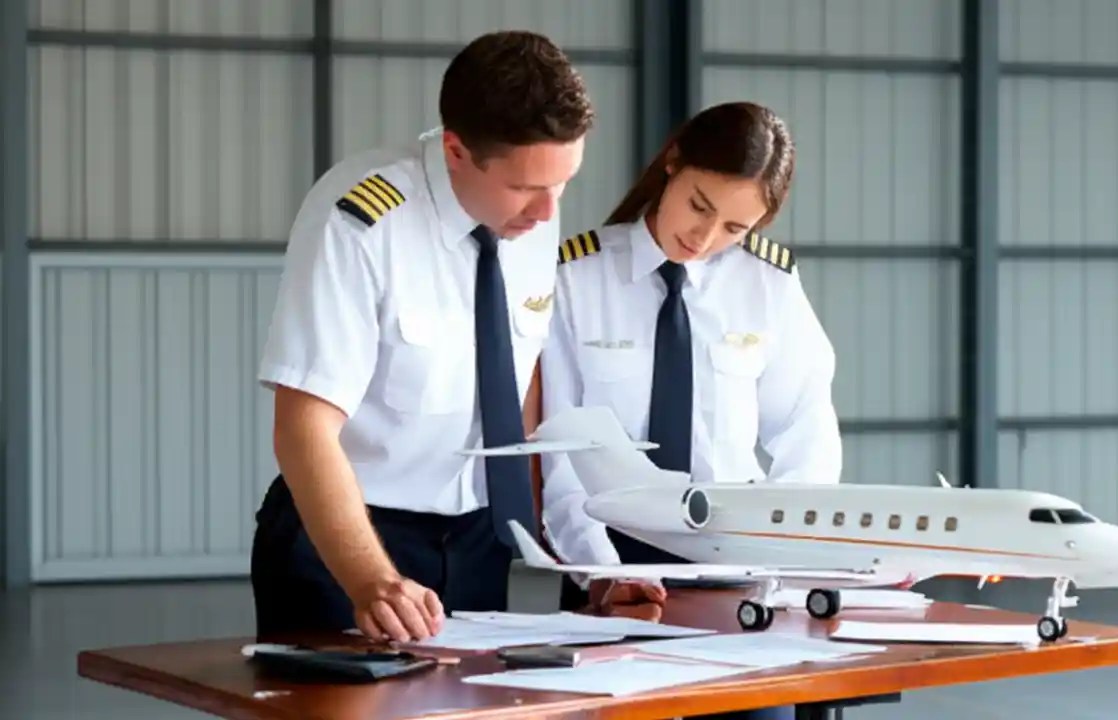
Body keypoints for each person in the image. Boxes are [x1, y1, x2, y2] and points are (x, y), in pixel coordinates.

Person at [250, 30, 594, 644]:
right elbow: (302, 428)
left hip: (482, 540)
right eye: (525, 187)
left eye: (562, 184)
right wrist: (370, 580)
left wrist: (559, 541)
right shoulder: (361, 222)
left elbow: (521, 382)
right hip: (352, 543)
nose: (548, 212)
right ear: (457, 151)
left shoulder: (532, 210)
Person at [538, 101, 840, 720]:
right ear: (672, 162)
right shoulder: (576, 277)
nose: (704, 238)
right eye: (700, 205)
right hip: (616, 570)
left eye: (734, 227)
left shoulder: (769, 286)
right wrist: (601, 571)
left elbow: (807, 430)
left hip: (738, 570)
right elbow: (558, 446)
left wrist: (785, 556)